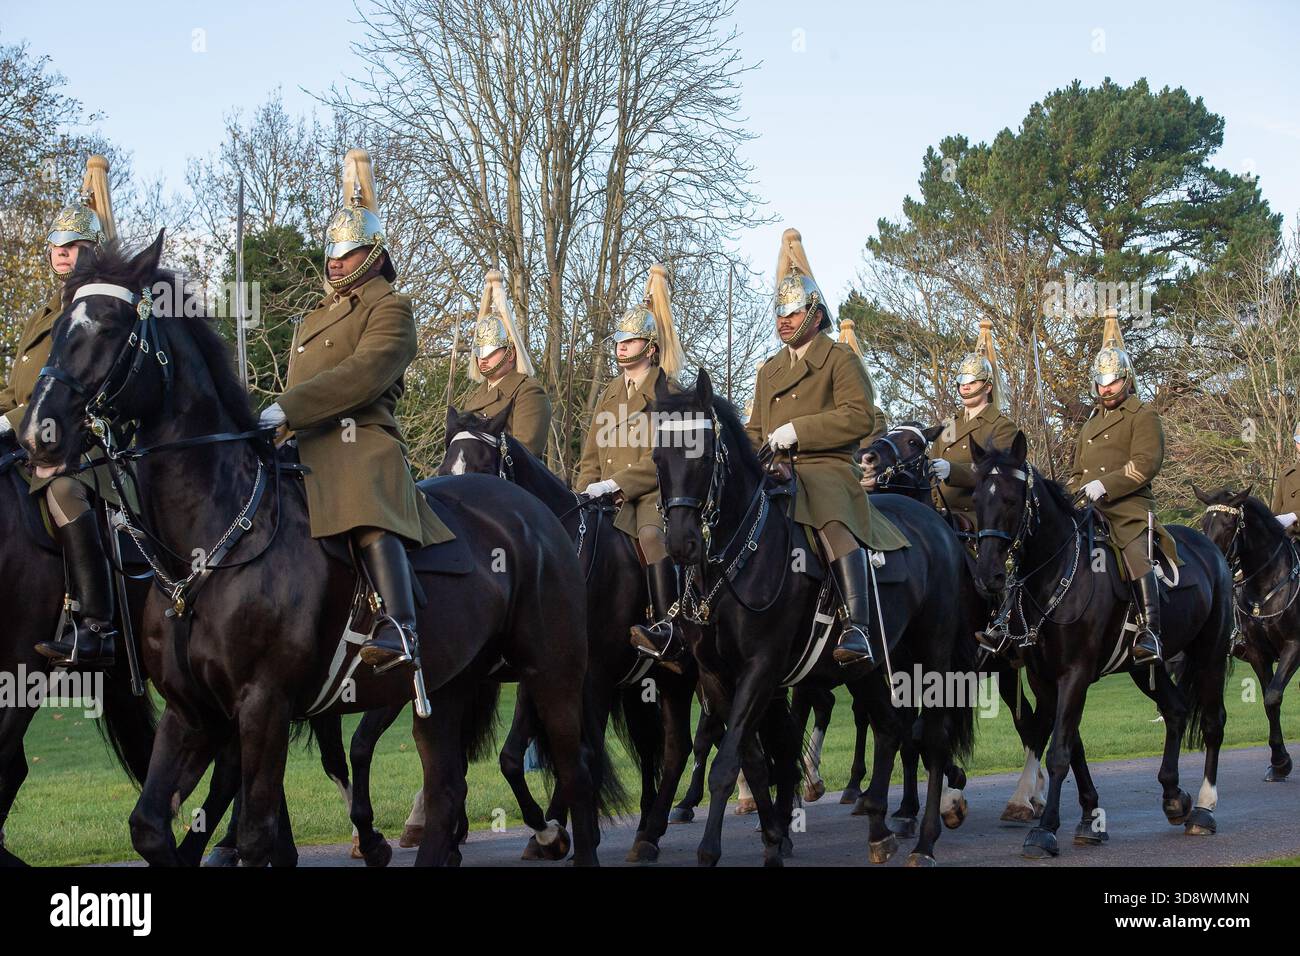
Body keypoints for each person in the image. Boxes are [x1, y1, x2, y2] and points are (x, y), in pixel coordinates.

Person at [259, 148, 450, 673]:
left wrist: (288, 409)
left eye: (348, 253)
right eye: (332, 254)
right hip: (300, 437)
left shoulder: (392, 308)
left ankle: (400, 625)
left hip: (360, 435)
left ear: (373, 254)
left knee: (360, 490)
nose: (335, 262)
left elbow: (365, 373)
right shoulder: (312, 316)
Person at [744, 228, 886, 666]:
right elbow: (753, 430)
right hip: (775, 469)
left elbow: (859, 417)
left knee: (829, 519)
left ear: (816, 315)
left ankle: (857, 625)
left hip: (824, 466)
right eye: (779, 313)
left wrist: (799, 430)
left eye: (793, 312)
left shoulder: (840, 359)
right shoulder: (768, 371)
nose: (783, 320)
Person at [2, 156, 121, 668]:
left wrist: (11, 421)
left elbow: (84, 385)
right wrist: (5, 416)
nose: (60, 254)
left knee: (63, 491)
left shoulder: (95, 311)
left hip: (77, 445)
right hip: (22, 437)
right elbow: (15, 389)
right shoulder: (46, 313)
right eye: (56, 245)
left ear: (91, 252)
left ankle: (94, 623)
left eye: (72, 246)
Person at [575, 264, 686, 665]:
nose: (622, 346)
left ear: (651, 347)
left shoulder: (668, 392)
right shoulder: (608, 392)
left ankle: (666, 625)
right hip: (603, 495)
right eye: (620, 340)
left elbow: (662, 459)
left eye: (632, 340)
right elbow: (591, 453)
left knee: (653, 536)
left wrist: (615, 485)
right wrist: (586, 489)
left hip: (650, 496)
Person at [1067, 309, 1177, 665]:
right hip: (1087, 506)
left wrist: (1106, 484)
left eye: (1112, 381)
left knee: (1133, 552)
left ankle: (1150, 630)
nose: (1106, 388)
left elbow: (1145, 464)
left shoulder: (1142, 415)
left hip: (1126, 507)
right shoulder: (1089, 424)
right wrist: (1071, 493)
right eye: (1101, 381)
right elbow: (1075, 470)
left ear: (1127, 380)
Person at [930, 320, 1020, 527]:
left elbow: (994, 473)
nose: (966, 388)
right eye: (962, 383)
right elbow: (932, 462)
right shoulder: (950, 424)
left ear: (987, 387)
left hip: (974, 516)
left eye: (972, 383)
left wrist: (952, 471)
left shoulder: (1002, 426)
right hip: (938, 512)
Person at [460, 269, 551, 457]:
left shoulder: (528, 391)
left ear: (510, 354)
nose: (483, 359)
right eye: (479, 352)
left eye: (491, 352)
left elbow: (525, 452)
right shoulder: (473, 399)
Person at [1271, 423, 1300, 537]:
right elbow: (1276, 511)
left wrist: (1294, 516)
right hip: (1288, 540)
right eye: (1299, 442)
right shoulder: (1286, 475)